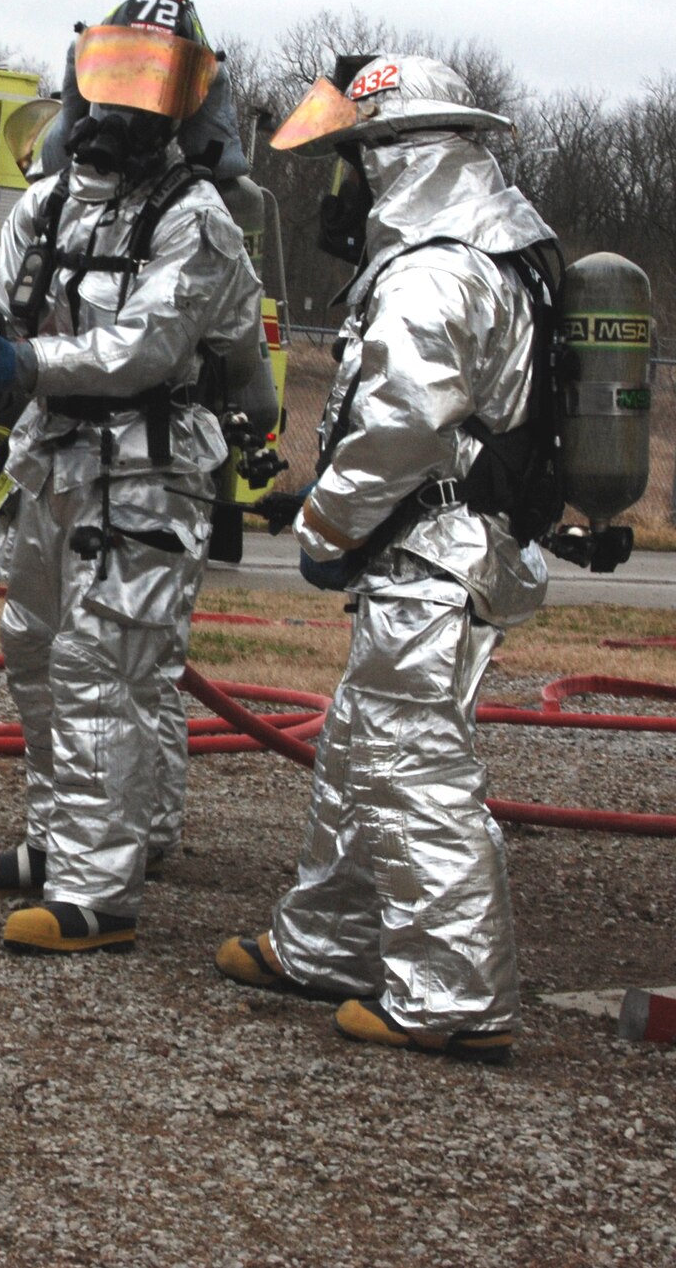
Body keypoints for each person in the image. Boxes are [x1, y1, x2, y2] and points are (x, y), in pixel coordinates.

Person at [216, 54, 554, 1065]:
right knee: (358, 748)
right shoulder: (477, 250)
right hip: (429, 544)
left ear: (397, 159)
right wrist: (328, 507)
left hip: (431, 555)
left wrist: (324, 528)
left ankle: (453, 996)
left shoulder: (433, 271)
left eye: (350, 163)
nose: (341, 188)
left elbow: (400, 428)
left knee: (412, 768)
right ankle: (327, 944)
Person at [0, 0, 269, 955]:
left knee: (99, 666)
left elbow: (147, 348)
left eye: (151, 79)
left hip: (145, 471)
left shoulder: (195, 217)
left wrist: (29, 363)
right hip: (53, 461)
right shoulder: (44, 205)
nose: (124, 100)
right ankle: (57, 840)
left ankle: (97, 890)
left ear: (189, 102)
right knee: (32, 648)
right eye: (111, 72)